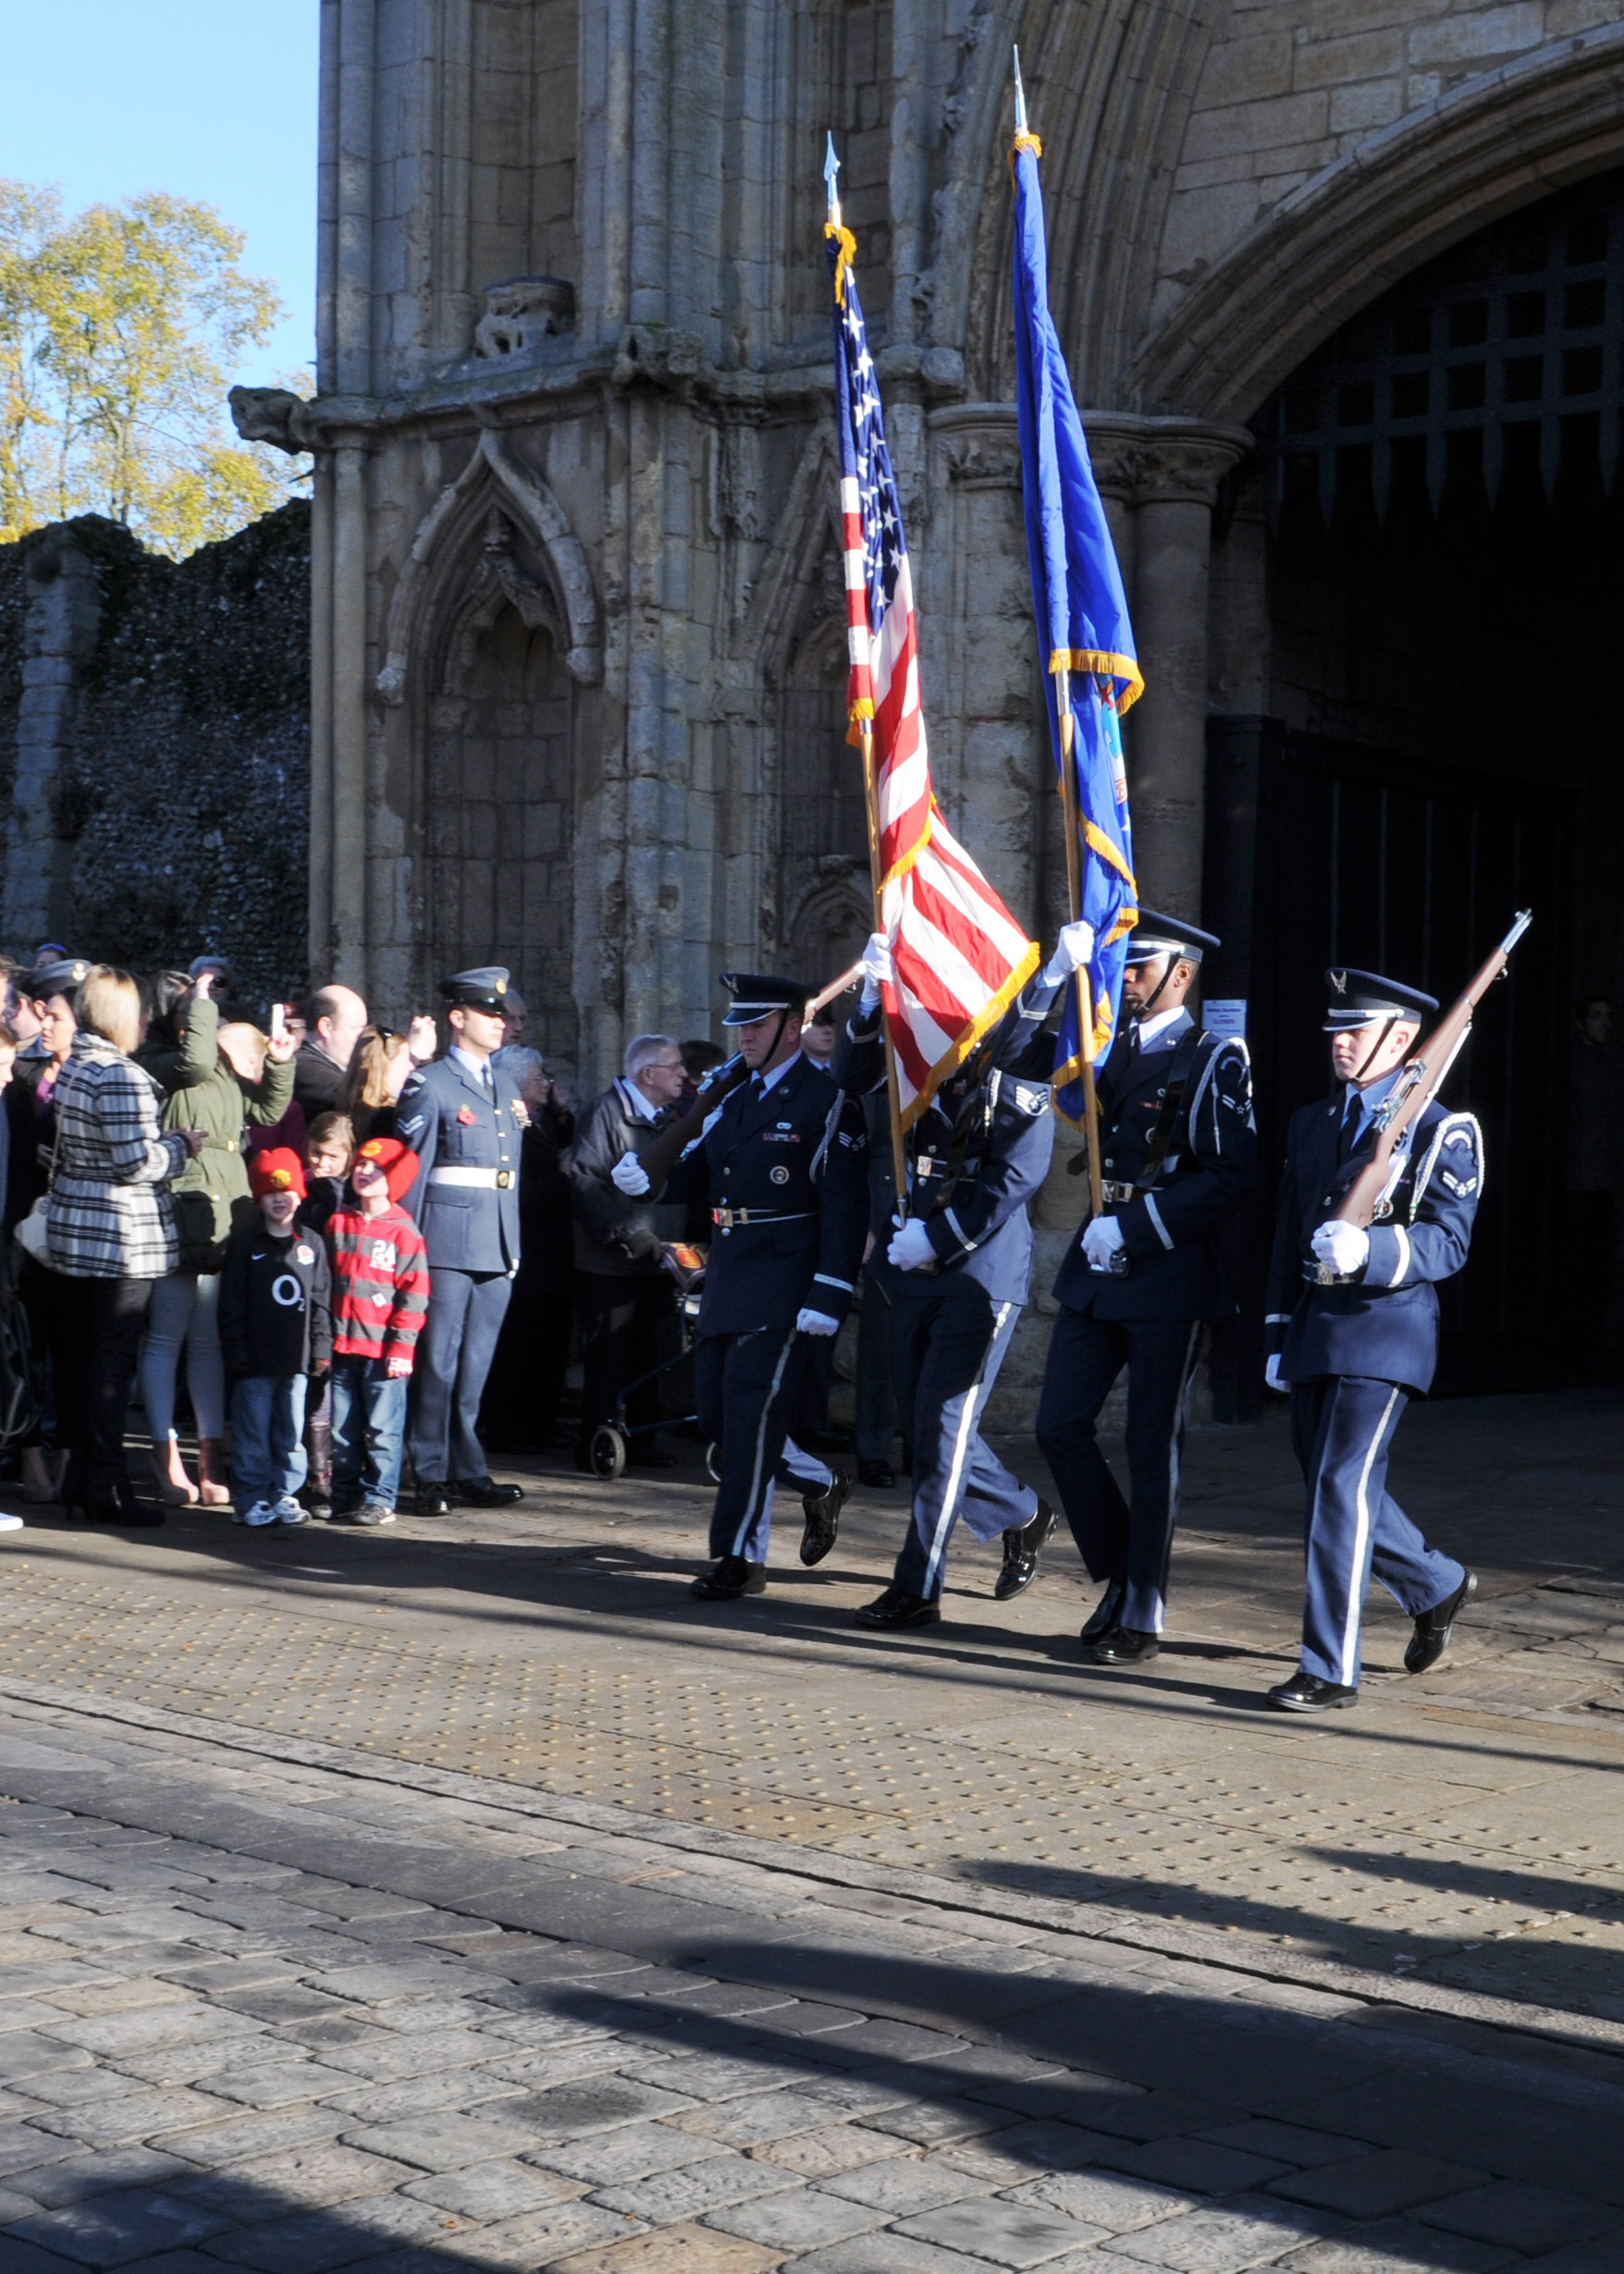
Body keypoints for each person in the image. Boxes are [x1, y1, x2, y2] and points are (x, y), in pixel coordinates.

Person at [1035, 909, 1258, 1666]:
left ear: (1182, 974)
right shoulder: (1104, 1044)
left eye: (1139, 967)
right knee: (1058, 1424)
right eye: (1120, 966)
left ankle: (1142, 1607)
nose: (1123, 978)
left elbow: (1231, 1177)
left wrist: (1135, 1228)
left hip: (1165, 1270)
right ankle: (1122, 1571)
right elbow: (1028, 1063)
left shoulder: (1214, 1057)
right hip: (1098, 1271)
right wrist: (1053, 984)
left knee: (1149, 1444)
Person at [1261, 966, 1482, 1714]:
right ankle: (1436, 1583)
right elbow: (1287, 1233)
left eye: (1356, 1031)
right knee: (1336, 1486)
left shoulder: (1442, 1127)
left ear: (1403, 1038)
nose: (1341, 1044)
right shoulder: (1314, 1123)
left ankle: (1329, 1664)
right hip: (1316, 1328)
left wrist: (1375, 1252)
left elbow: (1449, 1243)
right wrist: (1275, 1330)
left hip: (1386, 1333)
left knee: (1338, 1487)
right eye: (1335, 1032)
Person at [615, 974, 868, 1600]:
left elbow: (844, 1206)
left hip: (786, 1275)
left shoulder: (828, 1100)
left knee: (752, 1419)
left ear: (792, 1025)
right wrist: (645, 1172)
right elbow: (697, 1173)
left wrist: (830, 1291)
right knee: (721, 1419)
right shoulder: (735, 1096)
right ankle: (819, 1483)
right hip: (730, 1268)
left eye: (757, 1025)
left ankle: (737, 1555)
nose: (745, 1036)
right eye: (741, 1026)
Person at [836, 934, 1060, 1631]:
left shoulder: (1018, 1059)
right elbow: (850, 1076)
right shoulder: (914, 1056)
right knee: (927, 1427)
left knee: (942, 1428)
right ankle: (1022, 1513)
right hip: (911, 1265)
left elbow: (1017, 1175)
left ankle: (917, 1585)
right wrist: (869, 999)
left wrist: (938, 1237)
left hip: (976, 1273)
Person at [45, 966, 203, 1524]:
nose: (145, 1021)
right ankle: (106, 1485)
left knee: (87, 1362)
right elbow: (136, 1161)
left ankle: (83, 1477)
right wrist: (181, 1146)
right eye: (137, 1010)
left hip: (78, 1236)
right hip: (120, 1241)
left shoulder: (75, 1067)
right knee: (110, 1368)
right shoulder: (119, 1074)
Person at [140, 974, 297, 1507]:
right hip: (182, 1219)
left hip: (218, 1222)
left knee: (205, 1344)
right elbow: (197, 1064)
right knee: (164, 1342)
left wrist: (278, 1062)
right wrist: (202, 1003)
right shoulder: (172, 1064)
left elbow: (270, 1110)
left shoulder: (228, 1084)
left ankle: (207, 1465)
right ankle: (166, 1464)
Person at [395, 966, 526, 1516]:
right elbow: (413, 1174)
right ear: (458, 1018)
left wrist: (512, 1244)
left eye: (503, 1015)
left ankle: (467, 1467)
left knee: (474, 1368)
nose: (501, 1023)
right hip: (444, 1244)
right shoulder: (432, 1084)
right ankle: (428, 1471)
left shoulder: (507, 1085)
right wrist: (407, 1251)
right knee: (437, 1364)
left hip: (496, 1244)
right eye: (489, 1013)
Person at [570, 1034, 689, 1470]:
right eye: (674, 1067)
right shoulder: (606, 1113)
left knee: (650, 1351)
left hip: (658, 1260)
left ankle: (642, 1437)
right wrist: (628, 1232)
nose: (683, 1074)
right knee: (609, 1355)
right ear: (648, 1074)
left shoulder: (667, 1117)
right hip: (612, 1262)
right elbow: (585, 1181)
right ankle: (598, 1440)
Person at [4, 955, 84, 1504]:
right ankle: (30, 1453)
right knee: (21, 1345)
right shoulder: (21, 1079)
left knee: (73, 1346)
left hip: (77, 1230)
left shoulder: (100, 1072)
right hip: (19, 1229)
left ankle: (70, 1461)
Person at [219, 1147, 333, 1528]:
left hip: (295, 1362)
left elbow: (320, 1302)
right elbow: (231, 1303)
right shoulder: (244, 1245)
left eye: (286, 1191)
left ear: (300, 1194)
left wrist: (320, 1349)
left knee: (290, 1431)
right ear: (258, 1198)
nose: (279, 1198)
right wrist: (235, 1349)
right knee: (253, 1432)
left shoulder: (311, 1244)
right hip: (254, 1361)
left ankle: (284, 1492)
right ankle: (250, 1498)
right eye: (269, 1191)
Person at [326, 1137, 429, 1525]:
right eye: (362, 1165)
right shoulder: (338, 1223)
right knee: (342, 1430)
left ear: (394, 1178)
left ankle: (381, 1498)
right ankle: (344, 1495)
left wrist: (402, 1348)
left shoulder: (404, 1232)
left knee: (382, 1430)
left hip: (383, 1352)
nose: (365, 1172)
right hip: (342, 1344)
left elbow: (414, 1295)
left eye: (377, 1168)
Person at [481, 1048, 577, 1454]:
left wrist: (560, 1113)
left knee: (547, 1345)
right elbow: (520, 1193)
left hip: (550, 1256)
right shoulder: (506, 1125)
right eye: (539, 1078)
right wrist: (563, 1178)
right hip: (528, 1254)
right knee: (522, 1347)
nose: (546, 1084)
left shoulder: (533, 1121)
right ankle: (514, 1428)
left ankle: (539, 1421)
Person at [1565, 996, 1620, 1376]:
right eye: (1597, 1016)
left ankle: (1589, 1353)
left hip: (1601, 1184)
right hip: (1575, 1186)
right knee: (1577, 1274)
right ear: (1580, 1023)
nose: (1606, 1023)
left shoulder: (1610, 1065)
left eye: (1609, 1017)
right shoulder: (1573, 1065)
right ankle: (1570, 1355)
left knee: (1598, 1274)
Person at [338, 1020, 437, 1148]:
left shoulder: (346, 1105)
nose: (411, 1067)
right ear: (384, 1066)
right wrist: (424, 1062)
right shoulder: (388, 1117)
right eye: (406, 1059)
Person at [292, 984, 369, 1118]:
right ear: (326, 1026)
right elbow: (355, 1099)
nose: (363, 1038)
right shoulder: (301, 1066)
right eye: (356, 1028)